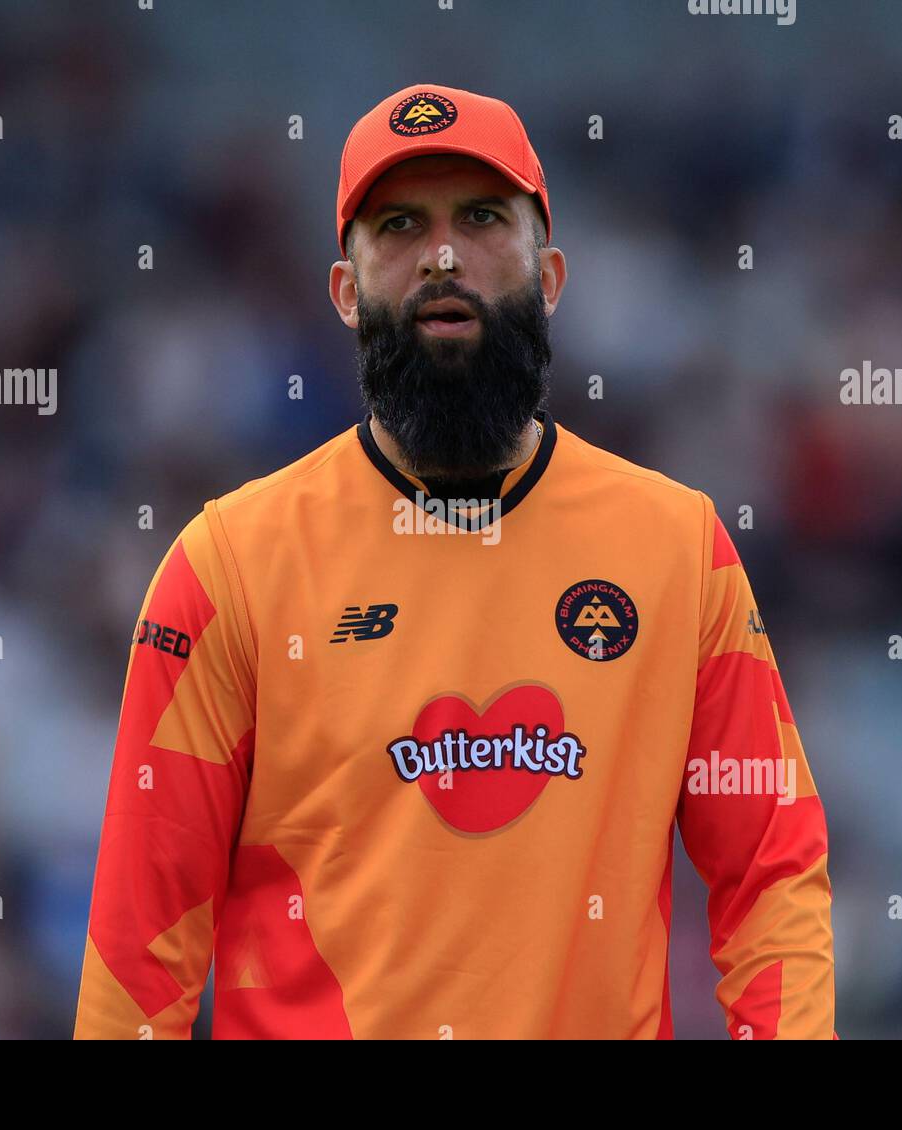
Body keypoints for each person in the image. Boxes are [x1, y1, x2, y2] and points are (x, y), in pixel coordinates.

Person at [73, 83, 837, 1040]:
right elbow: (139, 947)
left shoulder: (679, 551)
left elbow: (772, 867)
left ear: (550, 275)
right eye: (398, 226)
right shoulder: (228, 569)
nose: (442, 255)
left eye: (481, 218)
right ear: (347, 294)